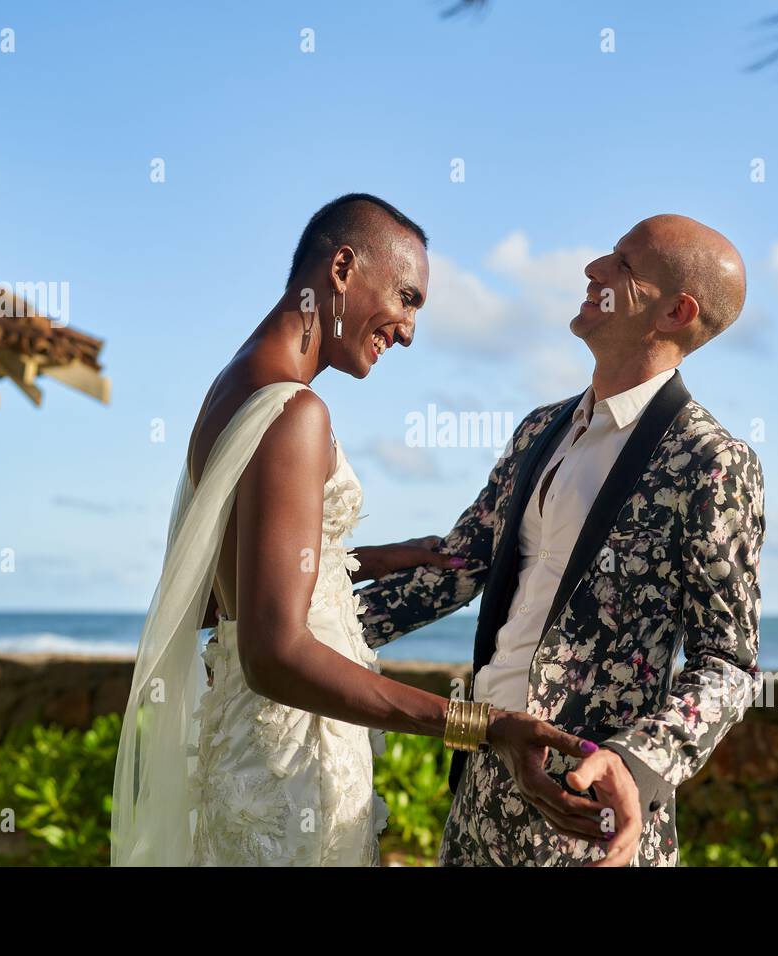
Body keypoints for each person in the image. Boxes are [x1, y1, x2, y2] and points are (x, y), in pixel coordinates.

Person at [110, 194, 595, 866]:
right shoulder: (295, 412)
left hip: (251, 754)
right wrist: (479, 726)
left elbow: (227, 591)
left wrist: (366, 559)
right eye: (407, 297)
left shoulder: (235, 387)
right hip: (293, 762)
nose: (408, 329)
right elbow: (275, 651)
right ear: (342, 267)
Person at [357, 214, 767, 866]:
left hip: (591, 807)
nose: (593, 269)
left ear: (675, 311)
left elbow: (728, 664)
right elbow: (457, 569)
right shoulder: (538, 429)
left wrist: (632, 765)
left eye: (624, 264)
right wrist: (307, 617)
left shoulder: (712, 461)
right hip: (482, 781)